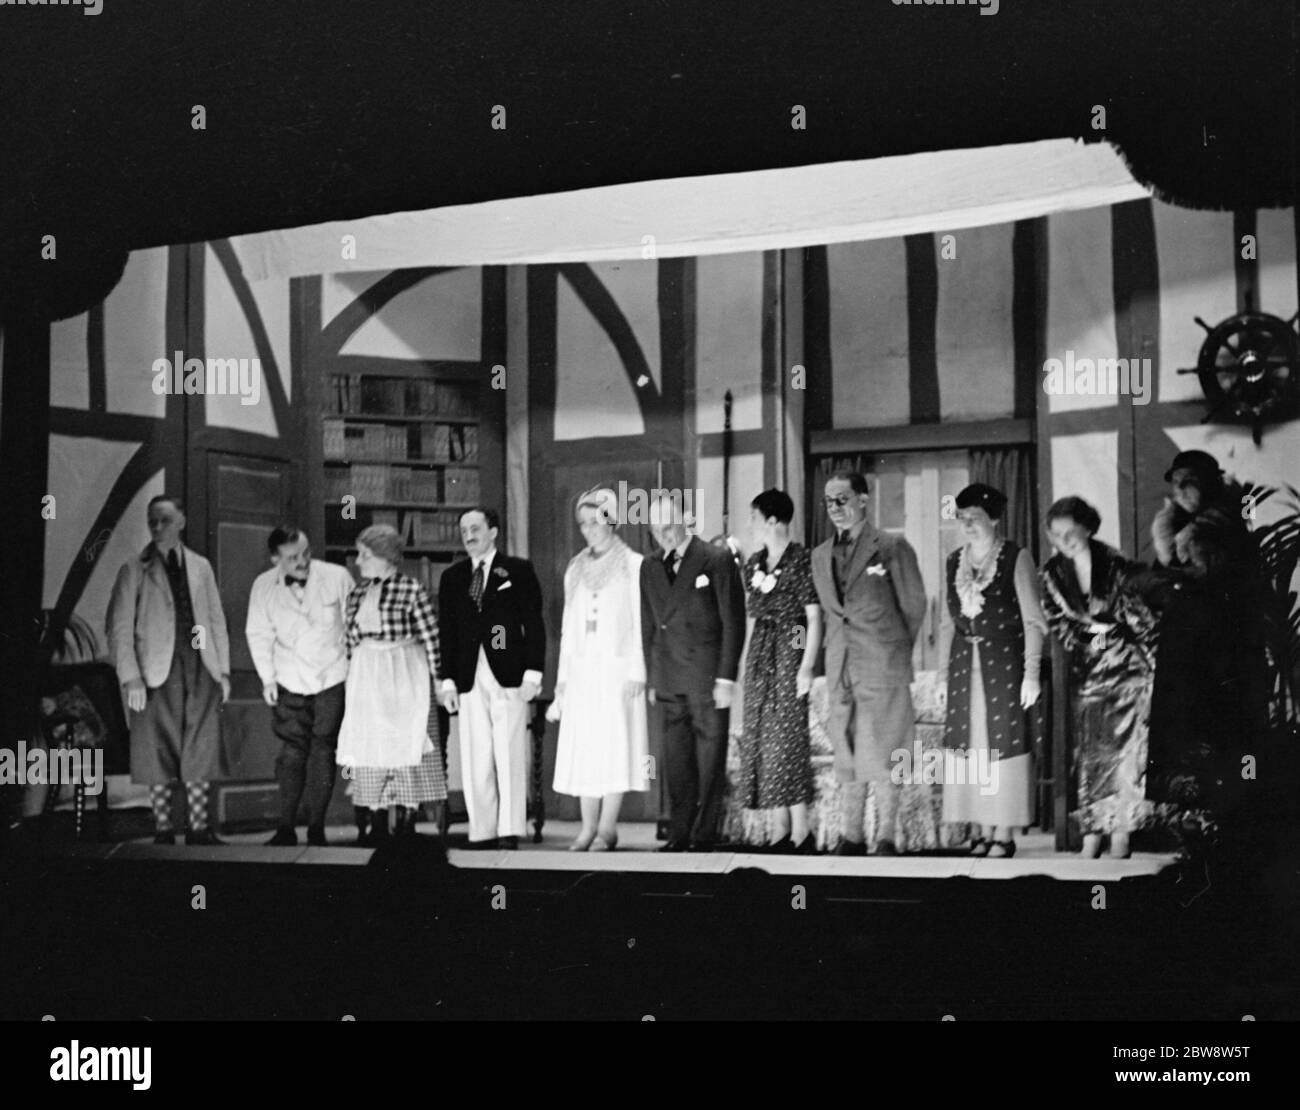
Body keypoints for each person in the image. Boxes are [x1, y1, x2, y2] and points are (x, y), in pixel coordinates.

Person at [809, 471, 926, 856]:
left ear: (863, 499)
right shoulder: (820, 555)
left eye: (842, 499)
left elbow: (914, 606)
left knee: (888, 748)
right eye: (829, 501)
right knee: (847, 750)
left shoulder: (891, 547)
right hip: (841, 665)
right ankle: (852, 835)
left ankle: (887, 836)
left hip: (883, 664)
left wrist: (892, 650)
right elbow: (827, 615)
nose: (835, 507)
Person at [106, 494, 231, 845]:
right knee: (155, 748)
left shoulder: (200, 566)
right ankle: (163, 830)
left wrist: (222, 671)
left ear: (181, 522)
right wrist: (131, 677)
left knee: (201, 747)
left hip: (200, 666)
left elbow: (216, 620)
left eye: (165, 520)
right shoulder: (134, 568)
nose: (158, 527)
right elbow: (118, 628)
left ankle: (199, 829)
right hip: (153, 673)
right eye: (153, 521)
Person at [1040, 498, 1157, 859]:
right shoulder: (1051, 573)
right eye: (1056, 535)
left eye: (1071, 533)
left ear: (1088, 529)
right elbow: (1058, 622)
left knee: (1127, 754)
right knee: (1091, 754)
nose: (1064, 541)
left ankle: (1121, 832)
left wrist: (1116, 640)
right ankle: (1093, 831)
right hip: (1087, 668)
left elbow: (1141, 620)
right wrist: (1089, 640)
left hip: (1128, 666)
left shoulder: (1117, 565)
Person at [938, 483, 1047, 859]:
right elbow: (946, 623)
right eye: (962, 518)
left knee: (1001, 743)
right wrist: (942, 675)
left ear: (995, 519)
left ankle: (1003, 831)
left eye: (976, 518)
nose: (967, 525)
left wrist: (1031, 673)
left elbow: (1034, 621)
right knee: (971, 746)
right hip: (962, 667)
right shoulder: (954, 561)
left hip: (1003, 665)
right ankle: (981, 828)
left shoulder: (1016, 557)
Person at [641, 492, 747, 852]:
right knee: (676, 762)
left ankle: (704, 834)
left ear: (686, 520)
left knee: (709, 762)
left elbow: (733, 622)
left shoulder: (715, 559)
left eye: (669, 526)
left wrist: (726, 678)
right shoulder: (649, 566)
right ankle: (679, 832)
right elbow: (648, 627)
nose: (664, 535)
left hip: (707, 677)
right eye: (657, 530)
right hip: (669, 678)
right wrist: (652, 678)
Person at [437, 507, 546, 851]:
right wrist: (447, 681)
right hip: (469, 675)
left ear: (493, 531)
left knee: (509, 752)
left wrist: (533, 672)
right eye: (464, 530)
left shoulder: (518, 570)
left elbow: (534, 623)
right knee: (475, 753)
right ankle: (482, 830)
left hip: (509, 673)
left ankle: (509, 829)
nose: (469, 536)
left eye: (475, 528)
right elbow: (447, 633)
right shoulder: (452, 577)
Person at [547, 488, 650, 850]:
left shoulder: (633, 564)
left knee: (615, 746)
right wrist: (562, 680)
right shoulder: (575, 568)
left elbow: (640, 620)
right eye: (583, 523)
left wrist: (638, 669)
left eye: (595, 521)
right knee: (585, 748)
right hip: (582, 672)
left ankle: (607, 827)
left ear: (612, 520)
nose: (589, 529)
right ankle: (587, 826)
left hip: (617, 671)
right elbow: (567, 627)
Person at [335, 524, 446, 841]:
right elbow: (350, 640)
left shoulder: (412, 590)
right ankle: (377, 816)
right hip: (368, 676)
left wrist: (438, 680)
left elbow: (431, 638)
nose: (359, 561)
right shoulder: (358, 594)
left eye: (365, 555)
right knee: (372, 742)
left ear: (385, 557)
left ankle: (408, 816)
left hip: (403, 673)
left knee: (406, 741)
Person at [245, 526, 353, 847]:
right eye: (293, 558)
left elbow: (354, 626)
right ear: (275, 559)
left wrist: (354, 674)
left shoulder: (337, 577)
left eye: (306, 553)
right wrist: (267, 678)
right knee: (292, 751)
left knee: (323, 749)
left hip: (332, 676)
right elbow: (258, 634)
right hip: (289, 679)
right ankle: (286, 828)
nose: (303, 561)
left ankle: (317, 829)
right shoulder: (263, 586)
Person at [735, 489, 822, 854]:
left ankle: (801, 831)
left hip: (791, 643)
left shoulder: (802, 560)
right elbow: (752, 617)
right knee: (762, 741)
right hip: (760, 651)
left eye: (754, 518)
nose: (750, 525)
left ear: (772, 521)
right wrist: (747, 660)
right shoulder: (754, 563)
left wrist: (804, 664)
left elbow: (811, 619)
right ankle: (778, 830)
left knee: (787, 740)